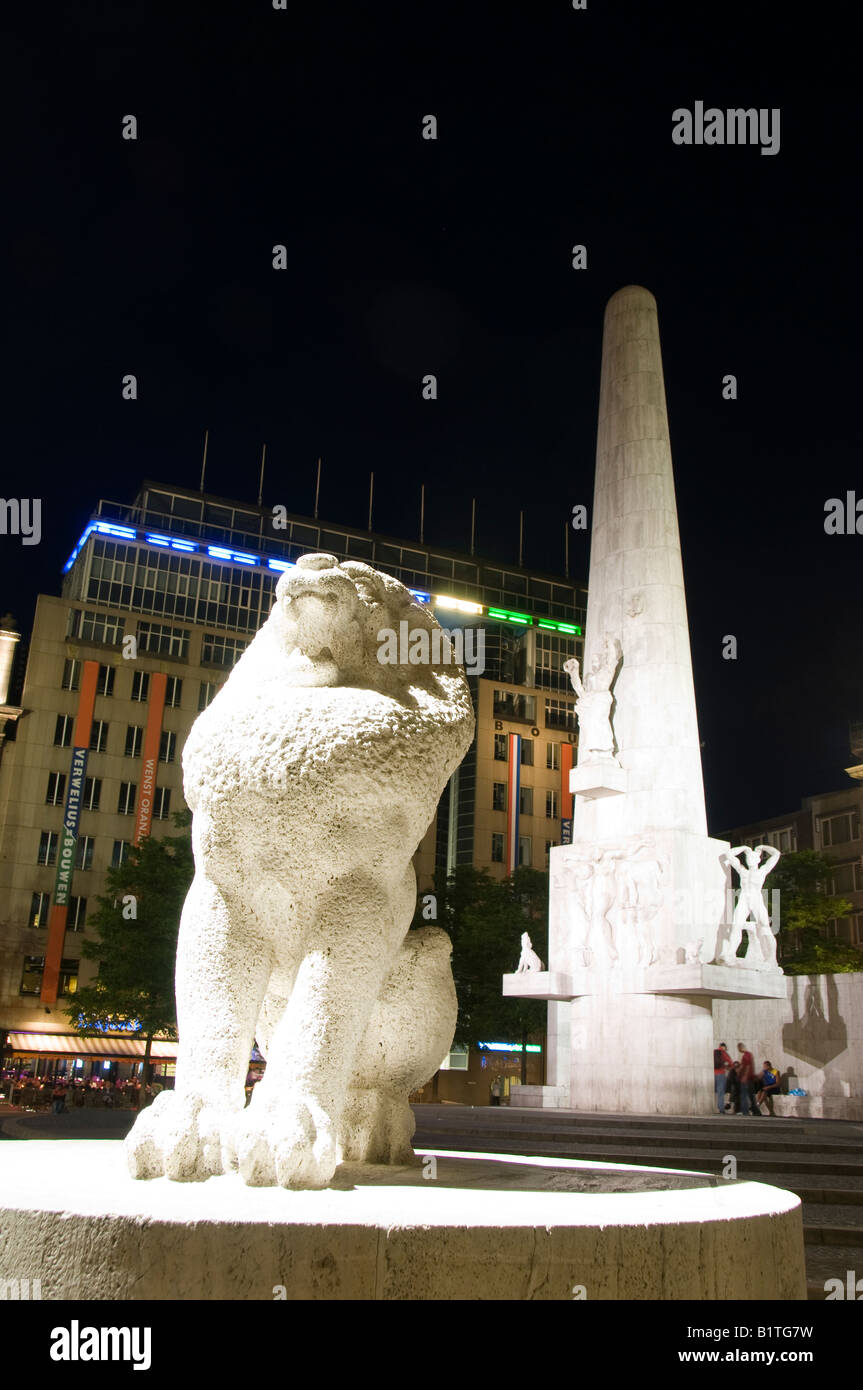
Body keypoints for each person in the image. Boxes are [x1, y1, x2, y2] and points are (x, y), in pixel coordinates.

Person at [737, 1043, 756, 1116]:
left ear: (740, 1048)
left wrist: (745, 1076)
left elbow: (747, 1066)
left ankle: (745, 1111)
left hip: (746, 1078)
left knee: (744, 1095)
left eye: (738, 1048)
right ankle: (756, 1111)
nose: (738, 1050)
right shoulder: (749, 1054)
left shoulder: (746, 1055)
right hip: (749, 1078)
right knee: (751, 1095)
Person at [713, 1042, 732, 1114]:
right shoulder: (723, 1053)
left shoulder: (714, 1051)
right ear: (724, 1047)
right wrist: (726, 1066)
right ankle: (721, 1109)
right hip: (720, 1074)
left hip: (712, 1074)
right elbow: (730, 1063)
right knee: (720, 1092)